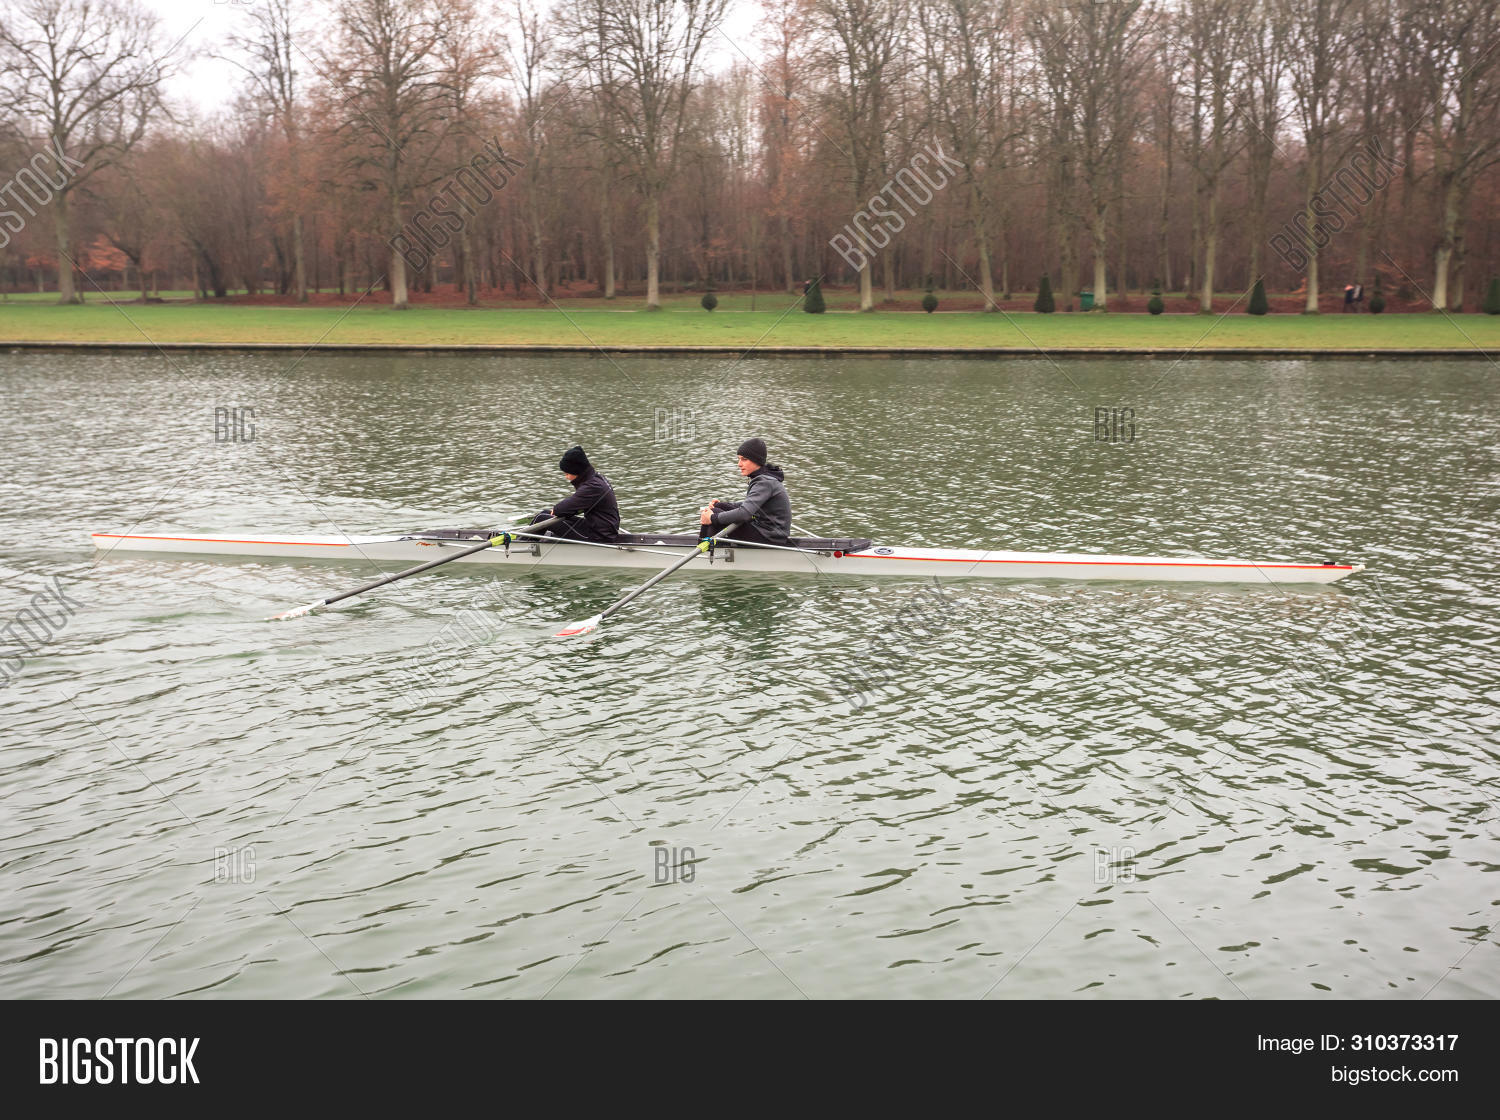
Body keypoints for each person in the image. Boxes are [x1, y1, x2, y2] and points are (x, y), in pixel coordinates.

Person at [699, 438, 792, 547]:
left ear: (756, 460)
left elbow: (744, 513)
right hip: (766, 531)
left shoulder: (765, 482)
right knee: (719, 507)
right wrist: (723, 504)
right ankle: (712, 547)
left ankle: (705, 552)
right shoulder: (764, 478)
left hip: (771, 538)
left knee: (714, 513)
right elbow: (750, 504)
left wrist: (712, 518)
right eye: (739, 459)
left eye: (744, 459)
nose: (739, 464)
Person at [531, 445, 620, 542]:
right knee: (545, 513)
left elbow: (564, 508)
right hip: (600, 529)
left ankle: (521, 548)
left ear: (577, 471)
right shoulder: (596, 478)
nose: (566, 477)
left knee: (541, 518)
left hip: (599, 536)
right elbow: (574, 504)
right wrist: (556, 511)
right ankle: (528, 542)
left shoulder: (593, 486)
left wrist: (556, 510)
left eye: (567, 474)